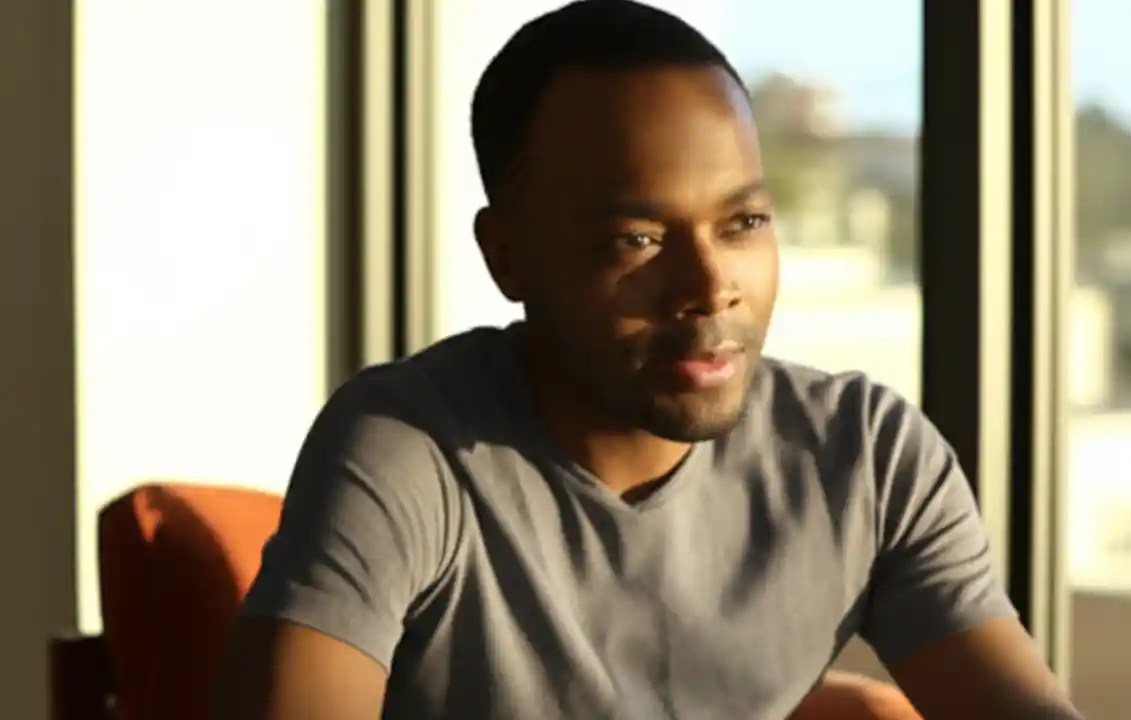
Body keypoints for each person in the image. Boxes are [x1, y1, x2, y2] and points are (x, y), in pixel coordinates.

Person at [213, 1, 1082, 718]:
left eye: (742, 223)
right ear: (507, 256)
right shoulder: (409, 450)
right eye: (638, 238)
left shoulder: (866, 456)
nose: (709, 286)